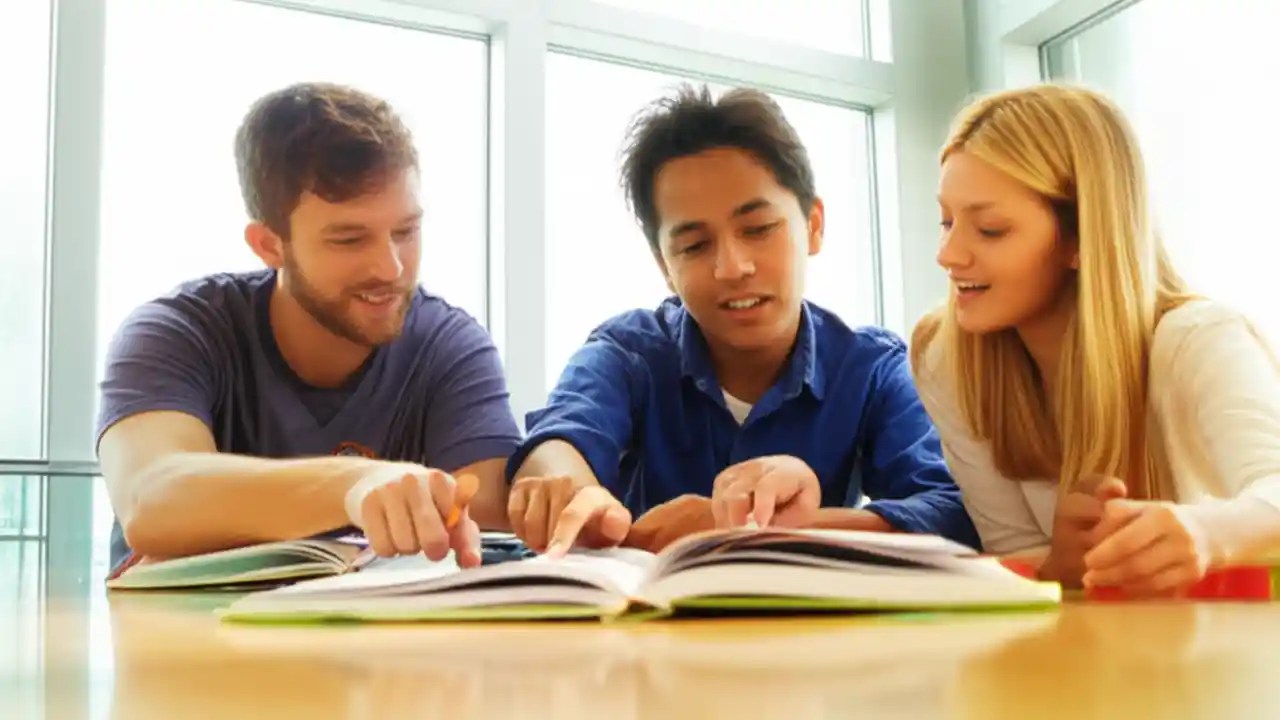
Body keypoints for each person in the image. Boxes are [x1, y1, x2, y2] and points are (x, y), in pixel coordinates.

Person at [505, 84, 979, 556]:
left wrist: (757, 530)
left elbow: (951, 513)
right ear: (664, 266)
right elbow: (559, 441)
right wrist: (570, 491)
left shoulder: (873, 367)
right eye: (694, 246)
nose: (732, 267)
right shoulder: (629, 353)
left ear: (813, 225)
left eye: (758, 229)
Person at [97, 83, 521, 576]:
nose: (391, 267)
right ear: (269, 245)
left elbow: (489, 517)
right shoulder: (175, 332)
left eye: (405, 231)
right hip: (186, 644)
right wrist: (356, 486)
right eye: (349, 238)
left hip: (377, 647)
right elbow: (152, 499)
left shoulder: (451, 346)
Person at [907, 84, 1280, 595]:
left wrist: (1206, 533)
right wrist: (1062, 563)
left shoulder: (1199, 340)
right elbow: (1012, 552)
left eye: (990, 229)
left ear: (1083, 236)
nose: (947, 255)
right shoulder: (946, 357)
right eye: (946, 221)